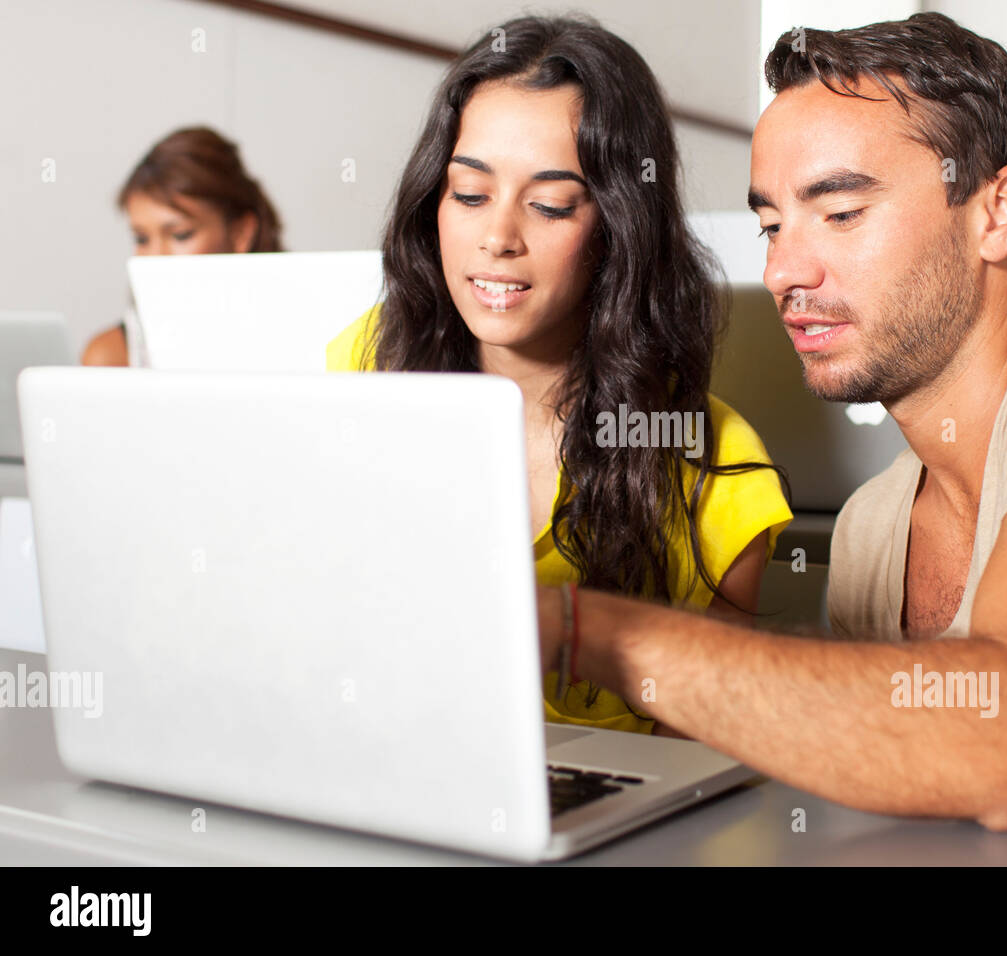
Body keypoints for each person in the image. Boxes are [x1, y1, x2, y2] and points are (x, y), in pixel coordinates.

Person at [533, 13, 1007, 827]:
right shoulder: (872, 532)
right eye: (771, 225)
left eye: (842, 213)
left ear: (998, 212)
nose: (784, 270)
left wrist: (590, 631)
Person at [326, 16, 792, 735]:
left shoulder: (717, 468)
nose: (497, 239)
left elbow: (695, 760)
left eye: (548, 205)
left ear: (619, 226)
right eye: (470, 194)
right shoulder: (367, 364)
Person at [81, 126, 283, 367]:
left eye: (180, 235)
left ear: (241, 233)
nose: (155, 258)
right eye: (142, 239)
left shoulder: (297, 338)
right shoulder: (112, 357)